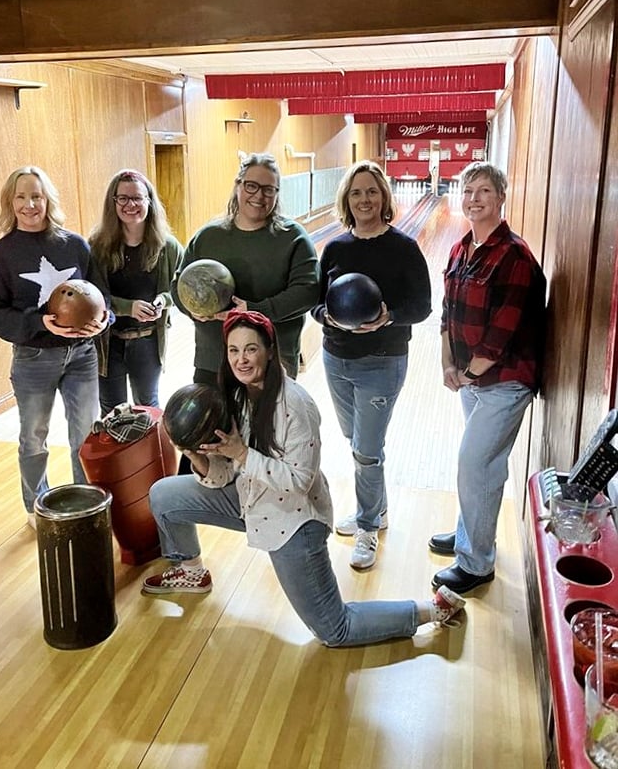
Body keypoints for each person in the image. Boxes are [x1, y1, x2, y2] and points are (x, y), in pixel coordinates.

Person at [144, 310, 466, 646]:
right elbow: (225, 473)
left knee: (336, 630)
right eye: (233, 350)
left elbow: (298, 483)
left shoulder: (296, 406)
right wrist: (197, 456)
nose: (241, 359)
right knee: (165, 494)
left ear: (270, 350)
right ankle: (192, 572)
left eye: (251, 349)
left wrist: (241, 454)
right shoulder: (237, 396)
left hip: (294, 522)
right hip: (250, 499)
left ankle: (432, 609)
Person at [429, 161, 546, 594]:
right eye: (468, 191)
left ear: (500, 198)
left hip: (505, 381)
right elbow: (447, 314)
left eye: (483, 191)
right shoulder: (461, 248)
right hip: (470, 378)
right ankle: (469, 538)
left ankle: (476, 565)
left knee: (474, 464)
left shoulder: (514, 255)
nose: (474, 198)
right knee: (485, 467)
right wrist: (448, 365)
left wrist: (468, 373)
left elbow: (502, 332)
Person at [311, 161, 431, 571]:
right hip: (336, 358)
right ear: (347, 199)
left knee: (366, 451)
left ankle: (367, 527)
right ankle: (376, 510)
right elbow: (316, 301)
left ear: (384, 198)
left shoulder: (404, 249)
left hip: (382, 361)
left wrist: (389, 317)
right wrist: (325, 315)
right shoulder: (336, 249)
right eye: (357, 192)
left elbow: (422, 307)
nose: (365, 199)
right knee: (357, 441)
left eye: (372, 192)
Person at [171, 152, 320, 474]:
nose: (259, 195)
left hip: (270, 366)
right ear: (238, 186)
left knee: (268, 452)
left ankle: (262, 521)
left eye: (269, 189)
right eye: (251, 185)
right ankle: (189, 509)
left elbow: (308, 291)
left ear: (278, 194)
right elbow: (178, 284)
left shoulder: (292, 238)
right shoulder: (208, 236)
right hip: (214, 362)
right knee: (200, 443)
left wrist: (253, 311)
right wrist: (191, 308)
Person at [0, 165, 110, 528]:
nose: (29, 204)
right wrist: (39, 323)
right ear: (11, 202)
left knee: (85, 431)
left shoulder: (75, 245)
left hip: (82, 354)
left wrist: (104, 321)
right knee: (34, 436)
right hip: (33, 358)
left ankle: (86, 500)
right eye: (21, 197)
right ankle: (36, 504)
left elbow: (102, 298)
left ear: (47, 199)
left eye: (36, 196)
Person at [89, 169, 184, 416]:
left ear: (149, 202)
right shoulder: (97, 246)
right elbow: (93, 295)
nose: (131, 204)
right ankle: (116, 457)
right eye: (123, 198)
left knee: (148, 407)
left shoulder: (168, 246)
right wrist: (127, 307)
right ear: (113, 202)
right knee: (112, 410)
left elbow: (182, 288)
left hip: (147, 340)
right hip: (109, 342)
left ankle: (151, 456)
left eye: (138, 198)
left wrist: (163, 300)